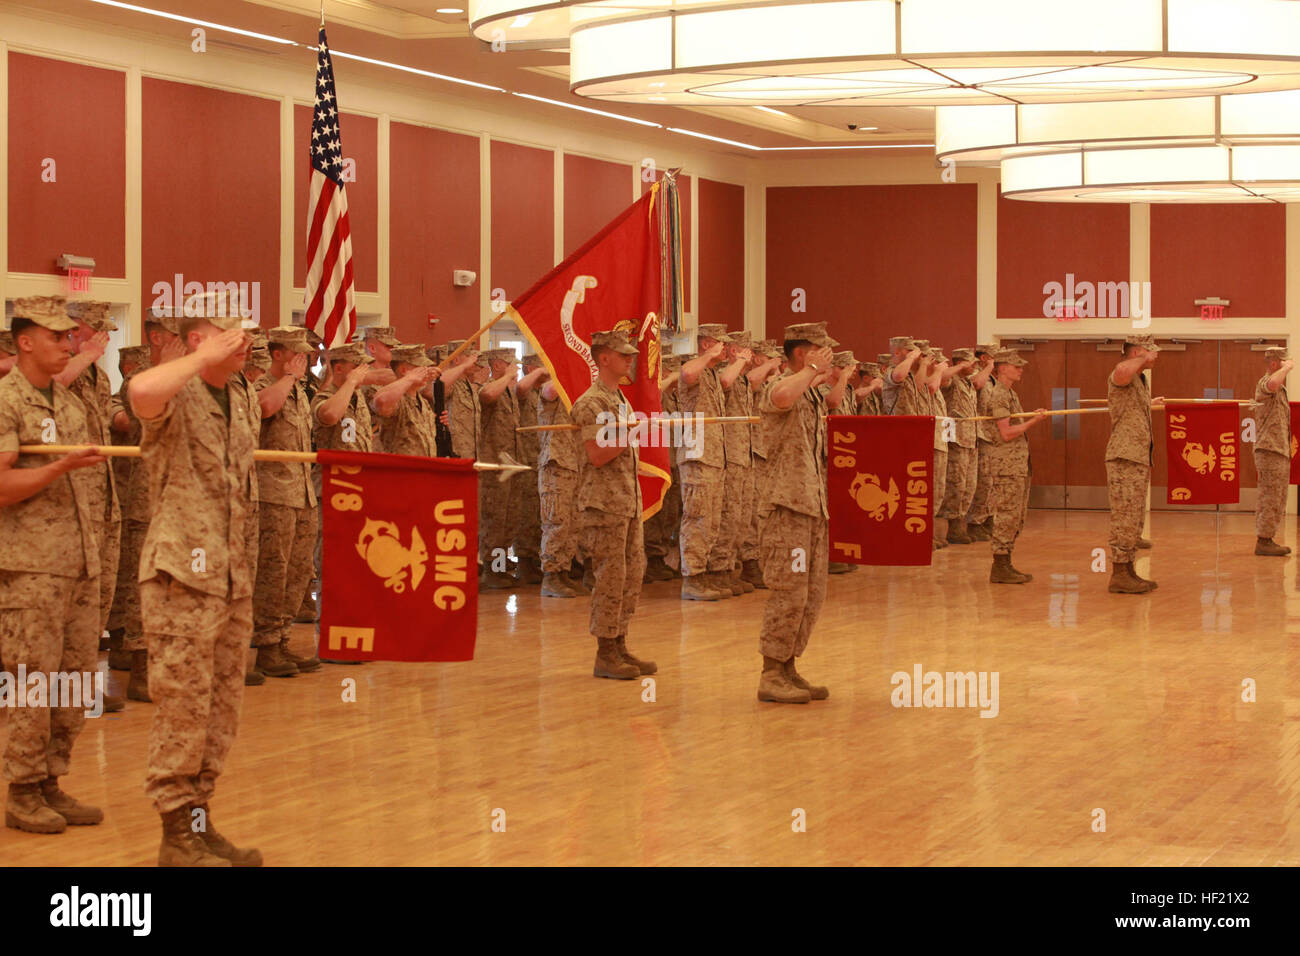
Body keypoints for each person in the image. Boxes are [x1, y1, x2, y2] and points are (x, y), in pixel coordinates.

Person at [129, 297, 261, 866]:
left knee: (219, 712)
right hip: (182, 573)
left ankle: (201, 823)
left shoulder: (242, 395)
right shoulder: (176, 390)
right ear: (199, 338)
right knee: (182, 707)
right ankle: (175, 835)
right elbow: (140, 393)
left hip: (232, 577)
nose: (244, 342)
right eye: (232, 333)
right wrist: (200, 355)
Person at [0, 295, 107, 834]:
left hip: (80, 564)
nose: (69, 345)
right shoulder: (7, 400)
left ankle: (50, 781)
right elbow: (1, 486)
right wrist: (60, 465)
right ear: (25, 341)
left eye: (69, 338)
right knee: (29, 683)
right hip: (30, 570)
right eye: (57, 337)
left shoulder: (67, 403)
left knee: (74, 683)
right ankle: (20, 791)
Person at [755, 321, 836, 704]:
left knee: (810, 593)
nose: (831, 357)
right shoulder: (780, 385)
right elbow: (781, 397)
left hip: (810, 508)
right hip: (786, 509)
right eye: (823, 350)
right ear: (803, 353)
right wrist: (810, 371)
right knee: (789, 591)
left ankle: (789, 666)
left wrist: (818, 376)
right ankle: (771, 672)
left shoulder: (812, 394)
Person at [570, 329, 655, 680]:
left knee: (632, 574)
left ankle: (619, 643)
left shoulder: (619, 399)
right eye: (624, 356)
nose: (630, 360)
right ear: (604, 358)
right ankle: (605, 651)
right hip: (604, 504)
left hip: (626, 501)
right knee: (610, 577)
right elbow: (598, 454)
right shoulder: (591, 403)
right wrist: (632, 433)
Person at [106, 308, 183, 692]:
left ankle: (161, 659)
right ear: (157, 338)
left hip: (177, 495)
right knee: (143, 583)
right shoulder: (138, 380)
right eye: (176, 333)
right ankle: (139, 663)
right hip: (144, 495)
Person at [62, 301, 126, 710]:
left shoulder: (98, 378)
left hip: (103, 497)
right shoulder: (51, 371)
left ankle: (84, 681)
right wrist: (82, 356)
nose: (101, 339)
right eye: (92, 331)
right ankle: (61, 687)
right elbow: (47, 389)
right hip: (66, 503)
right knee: (68, 600)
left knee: (98, 596)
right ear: (72, 330)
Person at [252, 326, 320, 676]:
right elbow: (264, 409)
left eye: (305, 355)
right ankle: (265, 645)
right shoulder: (263, 385)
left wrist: (294, 381)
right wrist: (289, 378)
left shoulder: (299, 392)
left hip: (302, 494)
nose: (304, 359)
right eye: (297, 353)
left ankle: (281, 640)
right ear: (277, 354)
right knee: (273, 573)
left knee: (296, 573)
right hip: (273, 494)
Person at [677, 323, 733, 601]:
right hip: (697, 455)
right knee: (697, 518)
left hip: (713, 455)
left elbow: (726, 381)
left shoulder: (711, 373)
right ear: (706, 344)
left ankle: (705, 573)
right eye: (720, 343)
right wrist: (709, 356)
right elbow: (687, 373)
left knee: (711, 520)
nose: (725, 349)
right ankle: (692, 577)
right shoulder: (693, 367)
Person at [1105, 335, 1162, 593]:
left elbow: (1127, 408)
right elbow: (1120, 370)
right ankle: (1119, 573)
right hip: (1125, 456)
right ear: (1138, 351)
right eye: (1153, 351)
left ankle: (1128, 570)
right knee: (1124, 517)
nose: (1157, 356)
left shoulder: (1140, 379)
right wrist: (1141, 358)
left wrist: (1150, 405)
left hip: (1137, 456)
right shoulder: (1123, 372)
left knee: (1132, 518)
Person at [988, 349, 1047, 585]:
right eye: (1016, 366)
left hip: (1017, 464)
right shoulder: (999, 395)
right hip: (1007, 465)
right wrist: (1034, 420)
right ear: (1002, 368)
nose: (1020, 370)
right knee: (1007, 515)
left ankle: (1006, 562)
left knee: (1016, 516)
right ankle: (1000, 565)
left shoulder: (1010, 394)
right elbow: (1006, 433)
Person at [1253, 347, 1293, 556]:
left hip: (1278, 450)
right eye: (1285, 362)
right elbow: (1272, 384)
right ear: (1276, 364)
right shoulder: (1266, 382)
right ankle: (1264, 540)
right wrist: (1286, 369)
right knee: (1270, 496)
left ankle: (1268, 538)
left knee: (1277, 497)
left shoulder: (1281, 390)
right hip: (1269, 449)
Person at [940, 347, 980, 545]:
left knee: (969, 485)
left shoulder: (967, 382)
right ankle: (952, 525)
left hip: (970, 438)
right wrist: (961, 366)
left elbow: (979, 380)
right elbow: (941, 377)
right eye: (971, 363)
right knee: (956, 483)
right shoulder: (952, 380)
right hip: (955, 437)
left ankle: (960, 522)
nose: (974, 366)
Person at [965, 345, 998, 541]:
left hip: (992, 434)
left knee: (992, 482)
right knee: (983, 481)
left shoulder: (993, 379)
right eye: (994, 356)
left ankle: (987, 517)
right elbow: (977, 384)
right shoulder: (975, 373)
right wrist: (988, 367)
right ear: (985, 357)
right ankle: (975, 521)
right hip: (979, 434)